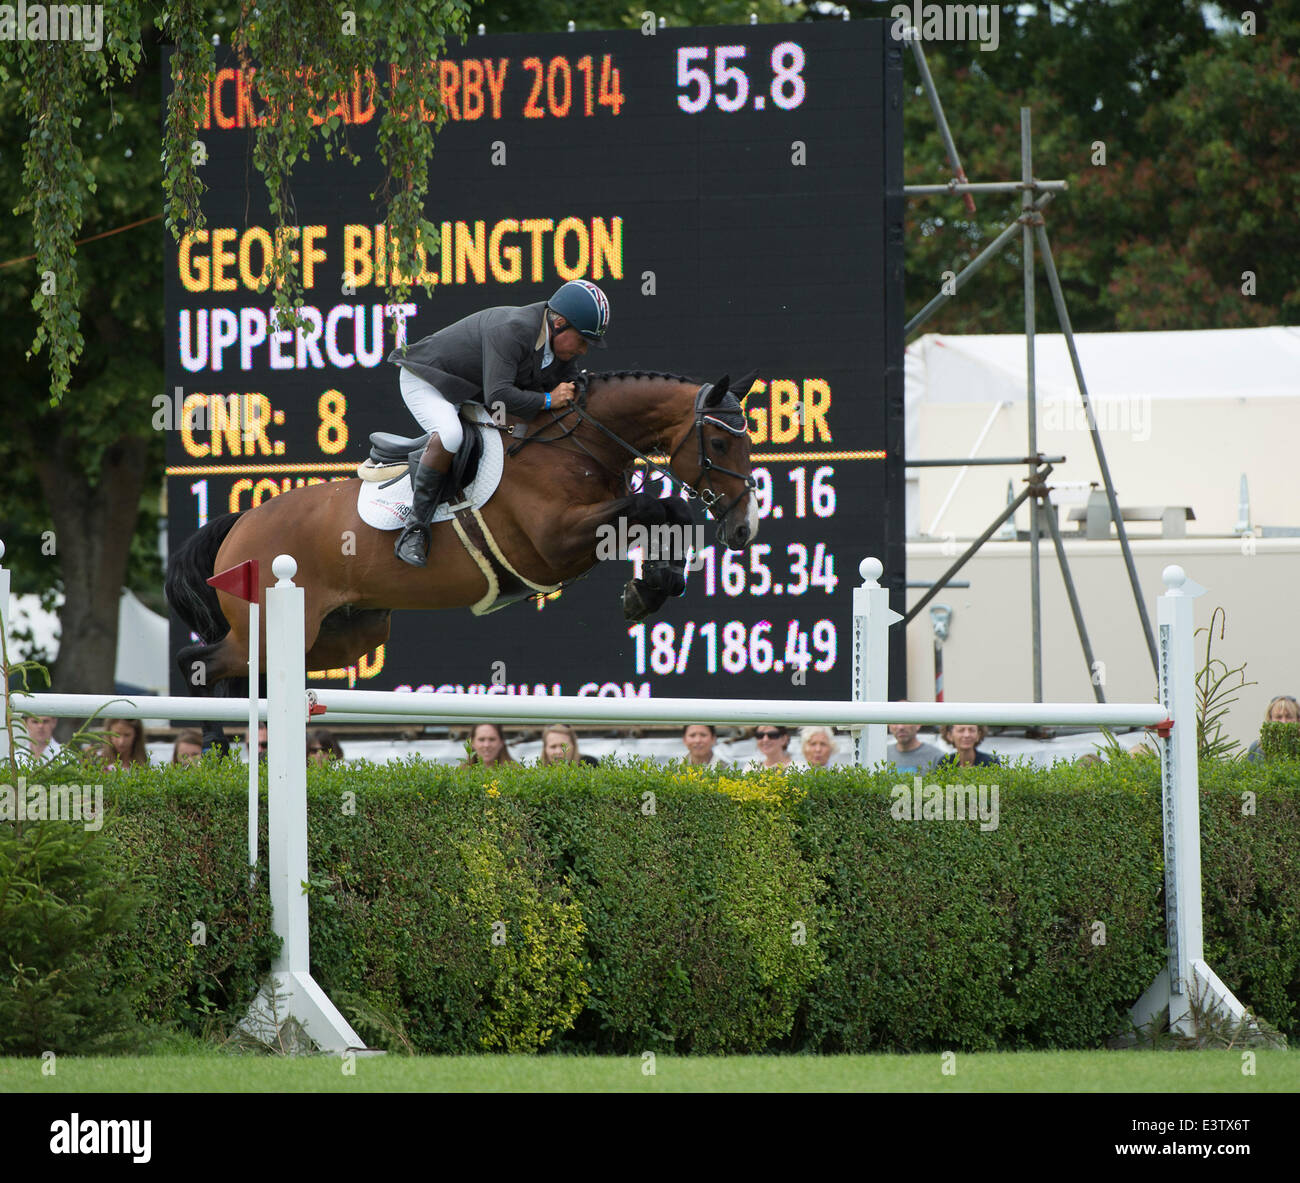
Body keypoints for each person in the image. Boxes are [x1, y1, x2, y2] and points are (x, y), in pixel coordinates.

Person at [386, 279, 611, 567]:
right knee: (452, 434)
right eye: (582, 340)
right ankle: (414, 529)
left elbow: (568, 382)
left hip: (468, 391)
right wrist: (546, 400)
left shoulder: (555, 344)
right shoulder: (513, 330)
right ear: (560, 323)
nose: (583, 350)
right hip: (428, 381)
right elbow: (500, 397)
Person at [1246, 694, 1299, 762]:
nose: (1284, 721)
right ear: (1270, 719)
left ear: (1298, 719)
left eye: (1289, 717)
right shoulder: (1256, 748)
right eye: (1278, 717)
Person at [935, 723, 1000, 768]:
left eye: (971, 730)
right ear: (949, 735)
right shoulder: (945, 762)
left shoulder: (990, 761)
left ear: (978, 735)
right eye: (961, 730)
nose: (967, 735)